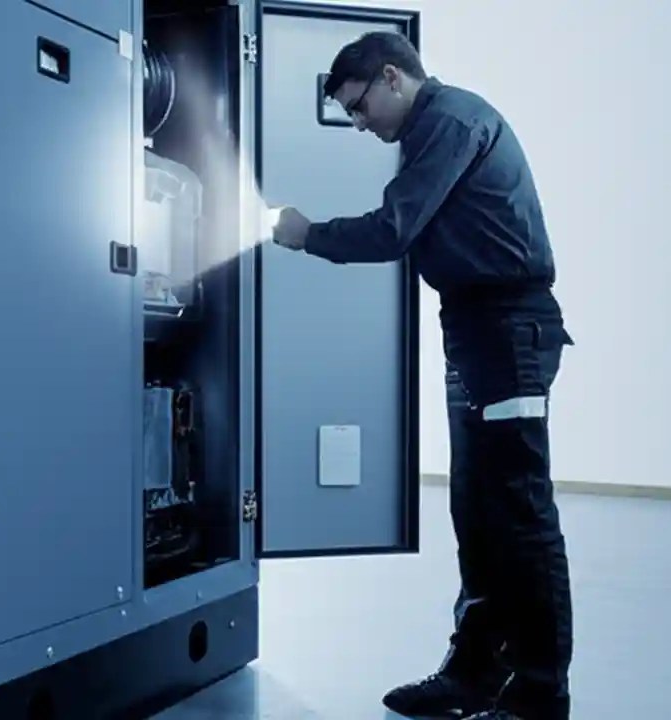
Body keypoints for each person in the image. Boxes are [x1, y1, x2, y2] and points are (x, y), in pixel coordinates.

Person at [268, 31, 575, 720]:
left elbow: (392, 229)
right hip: (473, 330)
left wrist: (307, 233)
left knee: (521, 516)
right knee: (477, 510)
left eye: (358, 106)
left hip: (508, 330)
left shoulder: (451, 120)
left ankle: (539, 695)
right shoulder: (433, 130)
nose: (359, 123)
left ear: (390, 78)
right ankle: (472, 675)